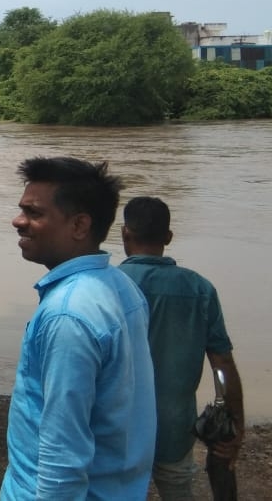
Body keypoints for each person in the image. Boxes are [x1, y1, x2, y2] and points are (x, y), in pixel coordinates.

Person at [0, 156, 156, 500]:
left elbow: (62, 454)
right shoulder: (121, 286)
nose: (18, 221)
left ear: (79, 226)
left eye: (34, 213)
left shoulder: (67, 315)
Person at [119, 196, 245, 500]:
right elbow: (222, 366)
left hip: (118, 426)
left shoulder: (109, 285)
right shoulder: (200, 288)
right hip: (175, 426)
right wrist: (235, 424)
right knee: (177, 490)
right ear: (168, 237)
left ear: (124, 234)